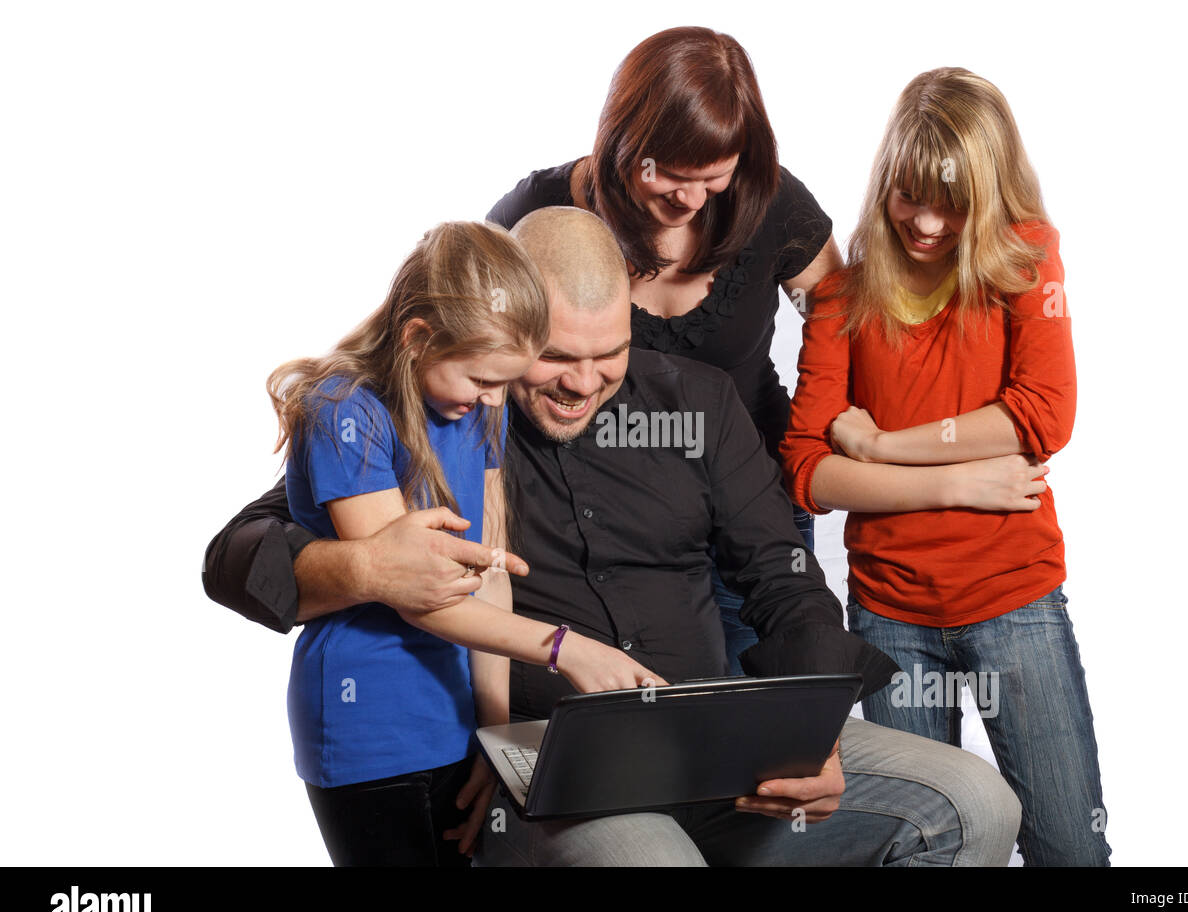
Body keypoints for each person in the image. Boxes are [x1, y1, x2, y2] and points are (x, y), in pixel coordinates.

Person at [206, 206, 1023, 866]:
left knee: (978, 805)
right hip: (564, 768)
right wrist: (364, 567)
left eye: (610, 355)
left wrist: (807, 734)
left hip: (717, 741)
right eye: (555, 357)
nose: (582, 382)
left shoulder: (696, 405)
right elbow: (239, 552)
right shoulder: (447, 413)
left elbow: (782, 574)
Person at [780, 68, 1109, 866]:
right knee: (918, 844)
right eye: (907, 196)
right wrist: (954, 480)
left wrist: (886, 444)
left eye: (952, 203)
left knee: (1070, 847)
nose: (925, 223)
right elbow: (808, 469)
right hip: (891, 612)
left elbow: (1043, 416)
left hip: (1014, 599)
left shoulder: (1028, 258)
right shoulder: (845, 297)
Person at [264, 221, 661, 867]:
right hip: (368, 726)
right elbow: (414, 592)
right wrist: (565, 647)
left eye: (506, 382)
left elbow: (493, 574)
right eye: (481, 379)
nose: (496, 399)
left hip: (449, 714)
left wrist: (496, 734)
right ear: (419, 337)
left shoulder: (481, 411)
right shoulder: (345, 410)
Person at [487, 26, 841, 675]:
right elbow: (467, 338)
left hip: (753, 501)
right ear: (624, 143)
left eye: (714, 178)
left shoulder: (771, 202)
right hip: (621, 514)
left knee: (760, 722)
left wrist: (832, 433)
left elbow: (839, 321)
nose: (691, 199)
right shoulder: (538, 213)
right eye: (673, 177)